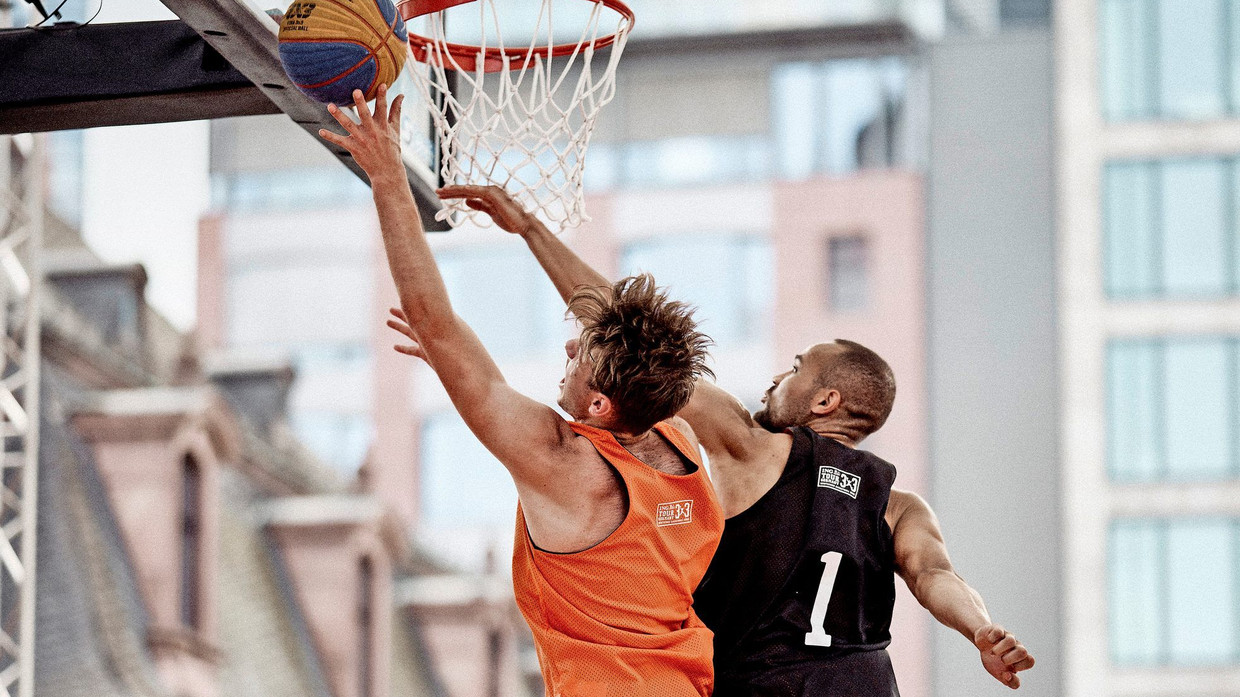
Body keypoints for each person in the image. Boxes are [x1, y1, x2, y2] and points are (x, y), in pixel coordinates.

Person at [399, 184, 1036, 696]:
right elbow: (934, 574)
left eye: (795, 368)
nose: (776, 377)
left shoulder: (752, 446)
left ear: (824, 401)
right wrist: (980, 630)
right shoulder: (896, 504)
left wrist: (531, 230)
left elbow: (633, 337)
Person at [319, 87, 724, 697]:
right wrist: (528, 229)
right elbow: (615, 330)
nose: (570, 347)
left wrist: (386, 176)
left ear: (600, 406)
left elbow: (435, 324)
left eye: (582, 354)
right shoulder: (678, 439)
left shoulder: (568, 464)